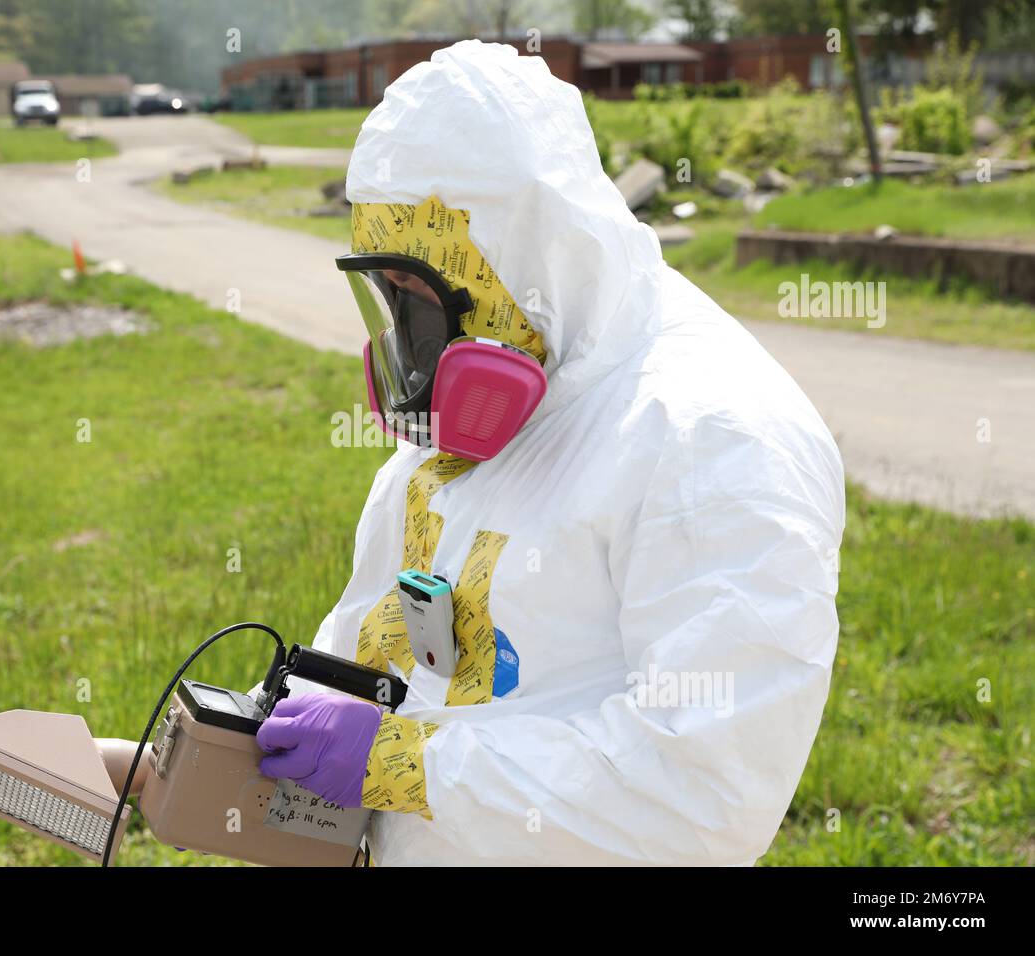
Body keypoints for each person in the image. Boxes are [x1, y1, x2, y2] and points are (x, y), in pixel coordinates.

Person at [256, 40, 845, 866]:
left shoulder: (714, 439)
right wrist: (261, 726)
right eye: (390, 302)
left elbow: (702, 796)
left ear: (516, 256)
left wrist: (403, 766)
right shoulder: (511, 386)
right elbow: (376, 638)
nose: (411, 352)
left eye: (419, 302)